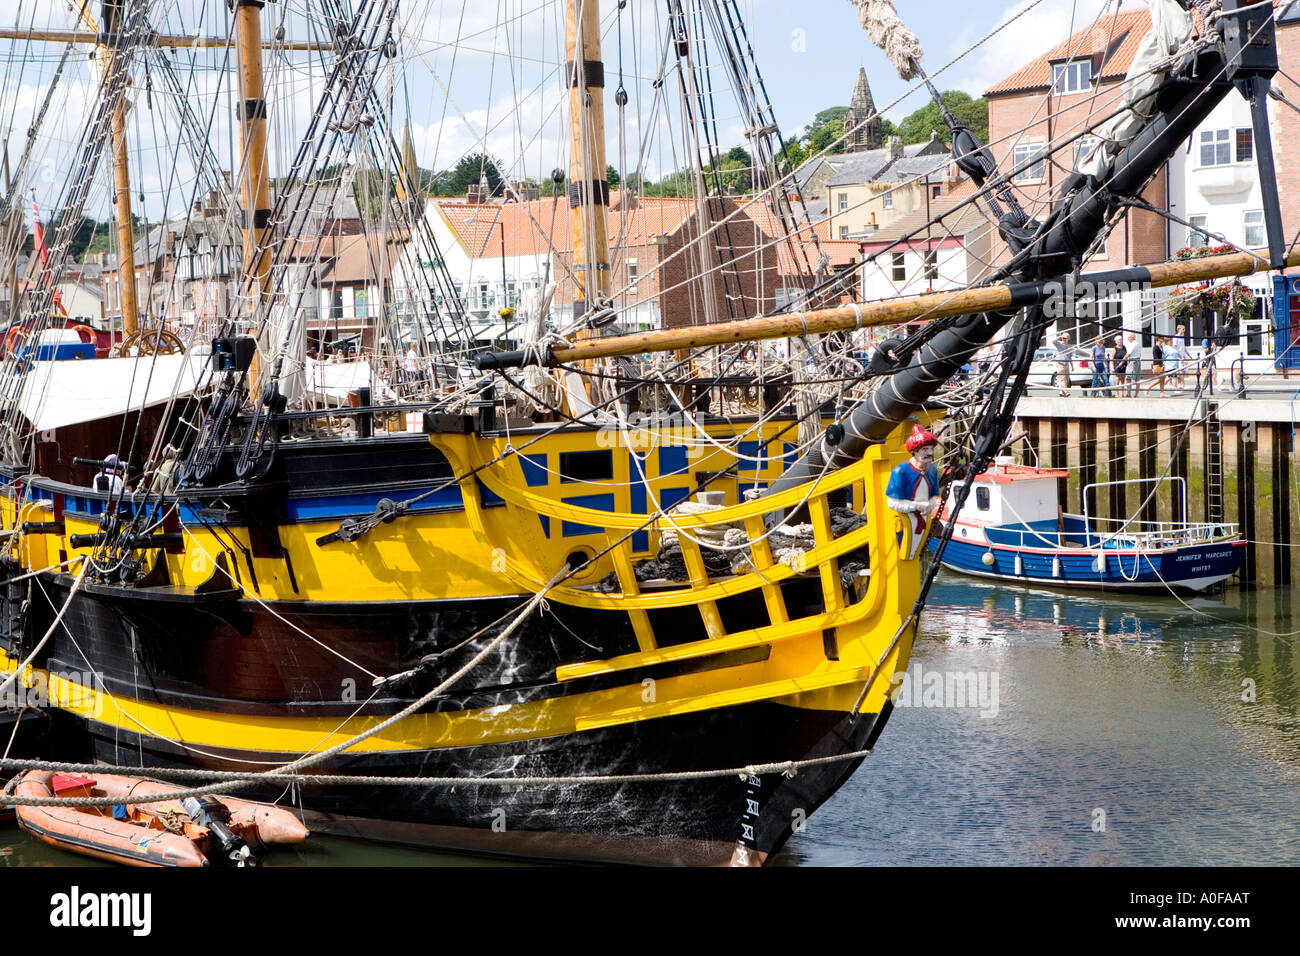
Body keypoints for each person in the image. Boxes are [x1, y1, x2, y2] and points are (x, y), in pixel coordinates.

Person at [886, 425, 942, 561]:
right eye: (924, 449)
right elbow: (892, 502)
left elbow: (934, 497)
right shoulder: (900, 472)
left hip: (923, 521)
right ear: (914, 451)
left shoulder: (932, 470)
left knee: (914, 555)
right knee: (903, 555)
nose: (929, 453)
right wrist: (917, 506)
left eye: (930, 449)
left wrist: (930, 504)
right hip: (903, 524)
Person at [1053, 331, 1073, 396]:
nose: (1063, 339)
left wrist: (1072, 366)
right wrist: (1060, 336)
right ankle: (1066, 391)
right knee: (1062, 378)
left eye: (1065, 338)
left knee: (1066, 379)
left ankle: (1061, 392)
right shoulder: (1059, 344)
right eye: (1063, 338)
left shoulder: (1070, 347)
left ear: (1068, 339)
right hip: (1060, 363)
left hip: (1066, 364)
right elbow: (1053, 341)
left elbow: (1070, 357)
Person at [1124, 331, 1142, 397]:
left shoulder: (1132, 344)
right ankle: (1136, 394)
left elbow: (1128, 354)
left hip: (1133, 362)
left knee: (1128, 378)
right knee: (1137, 379)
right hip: (1138, 361)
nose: (1128, 339)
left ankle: (1129, 394)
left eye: (1128, 338)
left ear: (1132, 338)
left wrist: (1121, 362)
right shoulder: (1138, 344)